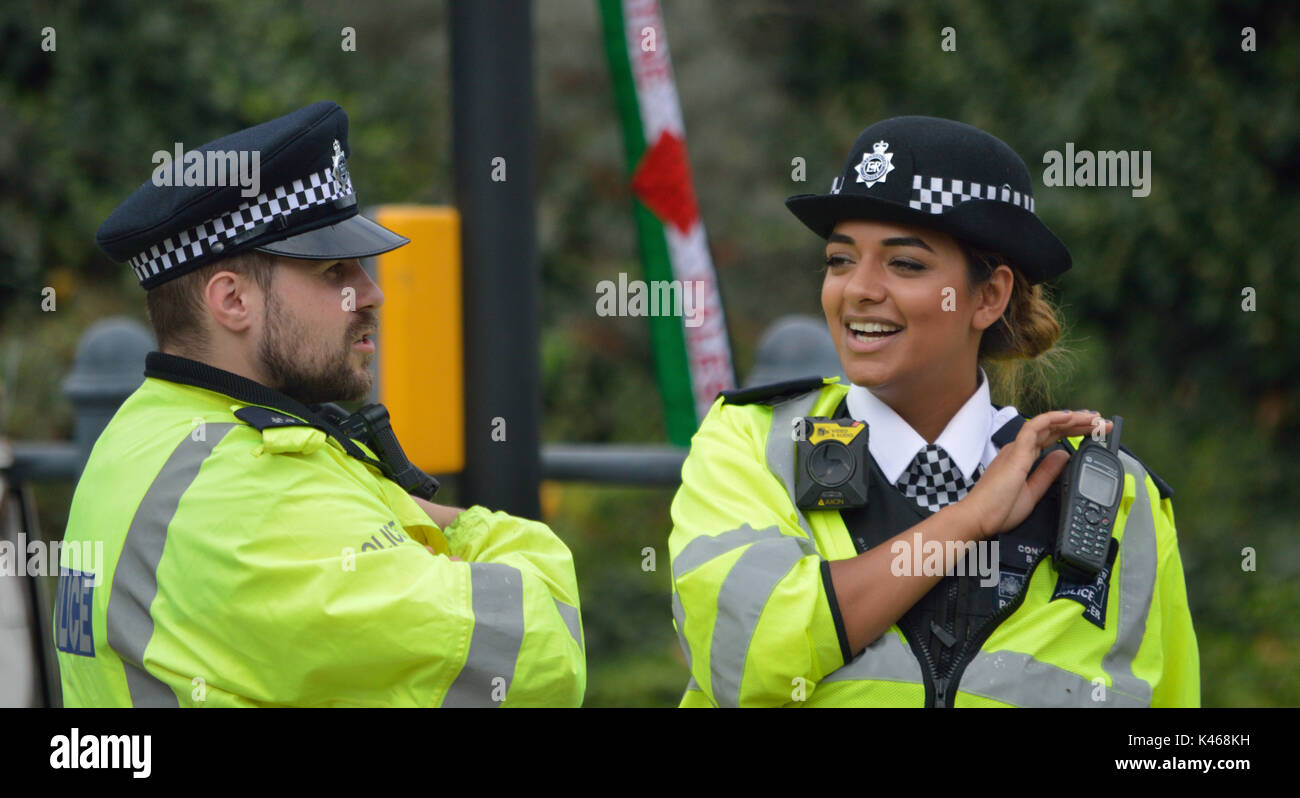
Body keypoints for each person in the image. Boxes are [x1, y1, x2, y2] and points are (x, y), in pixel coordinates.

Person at [55, 101, 586, 707]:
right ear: (232, 301)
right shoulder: (256, 496)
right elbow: (539, 663)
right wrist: (473, 529)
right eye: (334, 271)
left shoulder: (147, 428)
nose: (373, 293)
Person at [668, 116, 1198, 707]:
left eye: (905, 264)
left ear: (989, 296)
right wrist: (969, 518)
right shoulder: (751, 442)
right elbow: (744, 654)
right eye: (840, 260)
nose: (858, 289)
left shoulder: (1122, 498)